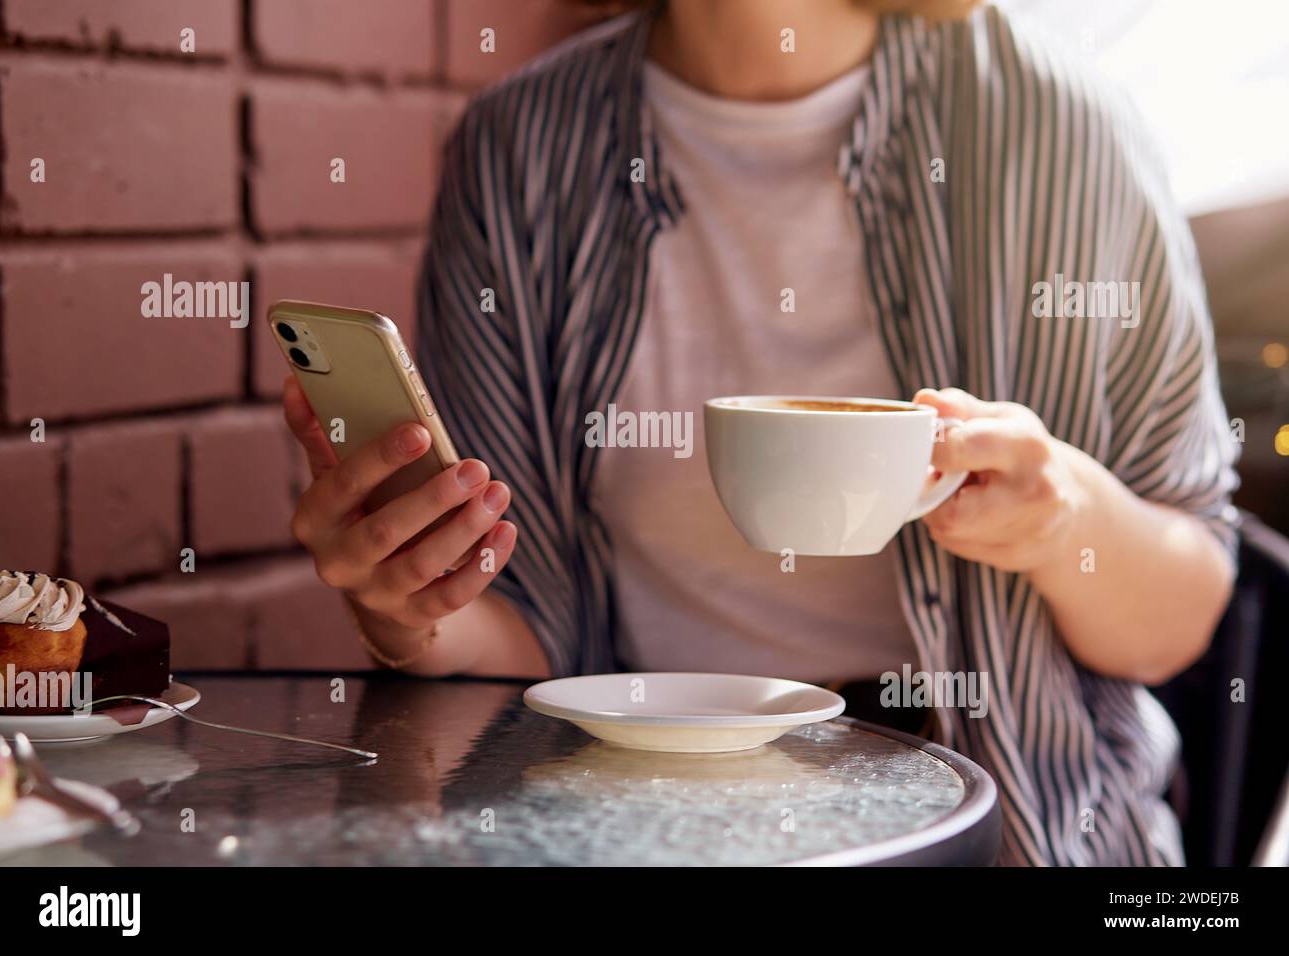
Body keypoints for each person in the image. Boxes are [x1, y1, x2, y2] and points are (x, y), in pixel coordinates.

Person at [281, 0, 1238, 865]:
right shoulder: (519, 152)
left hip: (1019, 830)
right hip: (632, 814)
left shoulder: (1062, 131)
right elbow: (519, 641)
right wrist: (408, 611)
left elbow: (1182, 613)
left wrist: (1065, 523)